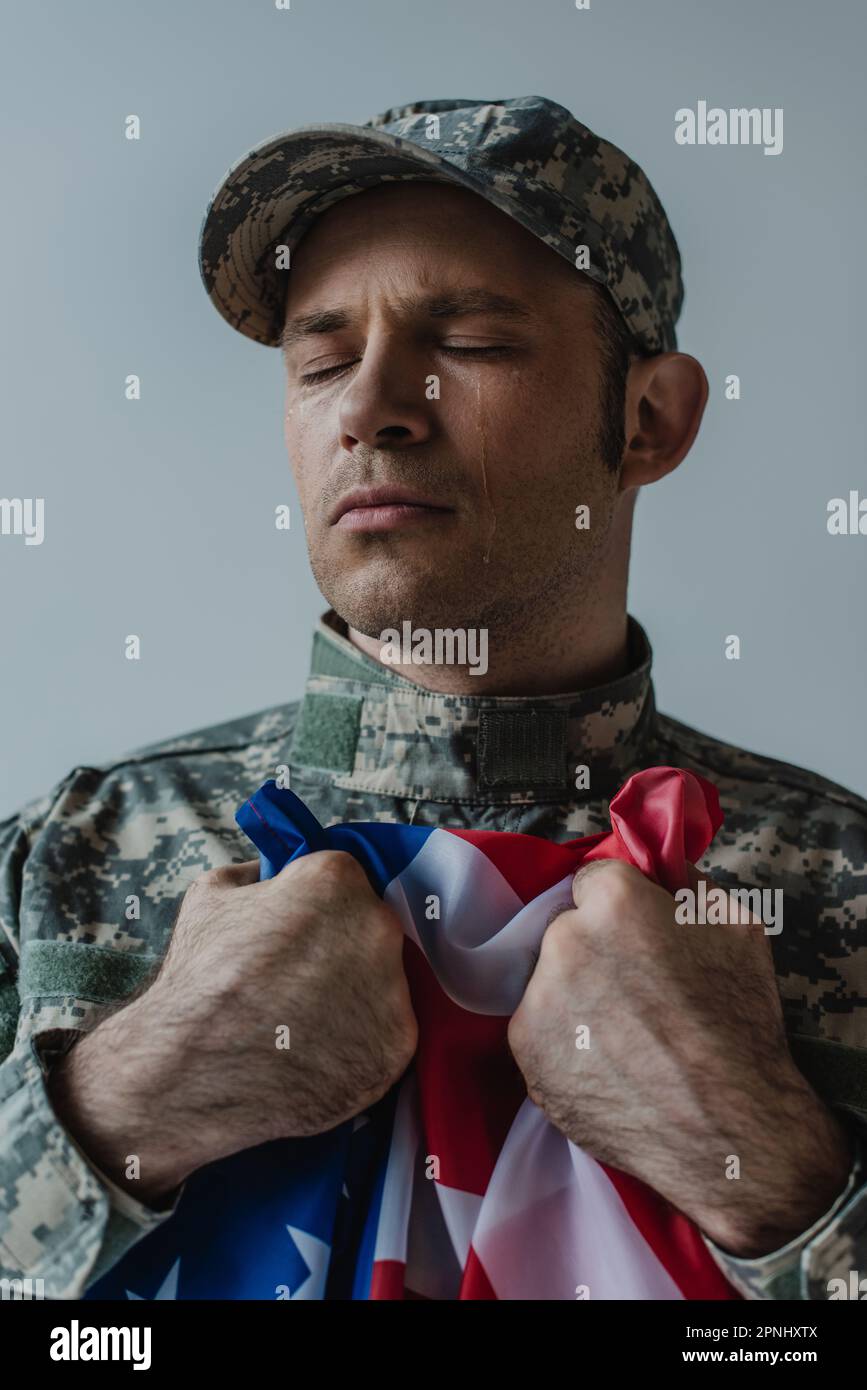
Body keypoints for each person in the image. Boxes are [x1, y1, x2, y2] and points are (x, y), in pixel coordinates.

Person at [1, 95, 865, 1302]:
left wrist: (776, 1174)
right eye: (322, 358)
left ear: (650, 417)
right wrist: (119, 1105)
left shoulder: (846, 878)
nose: (369, 409)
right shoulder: (60, 865)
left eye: (469, 344)